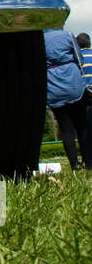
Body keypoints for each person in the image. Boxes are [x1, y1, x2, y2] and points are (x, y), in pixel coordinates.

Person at [44, 29, 92, 171]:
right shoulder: (67, 35)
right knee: (81, 125)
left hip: (53, 84)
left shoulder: (40, 39)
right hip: (72, 81)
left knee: (65, 128)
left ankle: (74, 164)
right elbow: (79, 57)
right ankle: (88, 162)